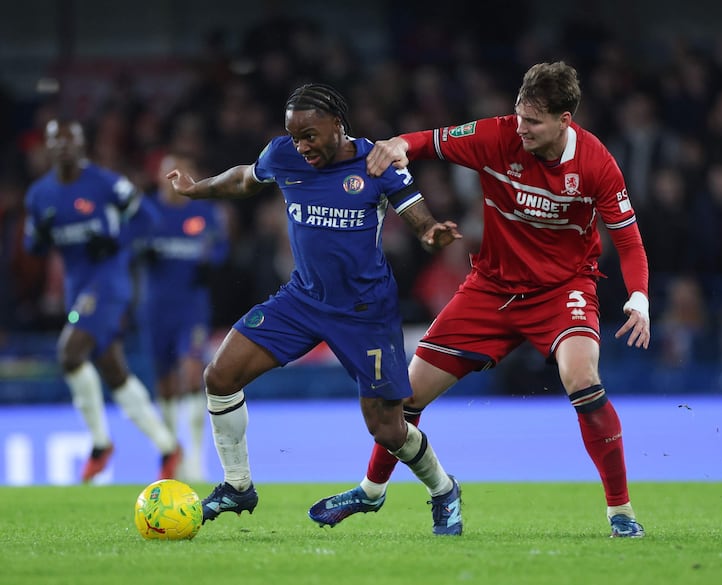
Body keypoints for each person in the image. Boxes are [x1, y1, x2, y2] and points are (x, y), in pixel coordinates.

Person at [309, 62, 651, 538]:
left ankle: (621, 513)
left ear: (564, 120)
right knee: (403, 399)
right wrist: (397, 145)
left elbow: (629, 241)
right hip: (491, 290)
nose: (521, 127)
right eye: (519, 115)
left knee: (583, 378)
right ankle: (371, 491)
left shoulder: (596, 163)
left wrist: (639, 298)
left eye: (533, 121)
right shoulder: (497, 135)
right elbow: (427, 141)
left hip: (563, 290)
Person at [166, 83, 465, 535]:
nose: (302, 146)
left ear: (337, 126)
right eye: (294, 136)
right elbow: (244, 178)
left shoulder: (376, 162)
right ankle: (237, 485)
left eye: (309, 135)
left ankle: (443, 489)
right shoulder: (283, 155)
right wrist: (196, 190)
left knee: (387, 430)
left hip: (365, 312)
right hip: (302, 300)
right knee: (220, 377)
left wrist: (431, 233)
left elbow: (418, 217)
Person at [23, 118, 182, 482]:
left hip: (109, 283)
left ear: (82, 146)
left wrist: (116, 241)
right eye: (57, 141)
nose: (64, 147)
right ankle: (167, 446)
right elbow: (33, 246)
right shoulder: (39, 195)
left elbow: (148, 218)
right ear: (48, 147)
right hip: (78, 289)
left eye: (70, 140)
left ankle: (99, 444)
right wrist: (41, 236)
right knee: (113, 368)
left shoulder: (105, 183)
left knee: (70, 353)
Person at [135, 152, 229, 481]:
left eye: (181, 171)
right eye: (168, 173)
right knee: (164, 382)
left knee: (191, 375)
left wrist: (210, 260)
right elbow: (127, 243)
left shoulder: (204, 211)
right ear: (158, 178)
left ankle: (197, 461)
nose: (174, 179)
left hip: (191, 309)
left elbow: (221, 249)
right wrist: (140, 249)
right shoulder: (147, 211)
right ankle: (171, 453)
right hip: (156, 309)